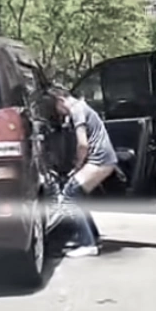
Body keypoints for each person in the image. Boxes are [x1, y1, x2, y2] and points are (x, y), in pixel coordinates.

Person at [48, 86, 118, 258]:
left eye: (55, 107)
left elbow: (82, 144)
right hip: (105, 159)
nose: (57, 112)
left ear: (60, 100)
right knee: (76, 195)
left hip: (100, 160)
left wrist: (77, 165)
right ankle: (91, 237)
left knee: (70, 195)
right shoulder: (81, 107)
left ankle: (88, 244)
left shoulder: (77, 111)